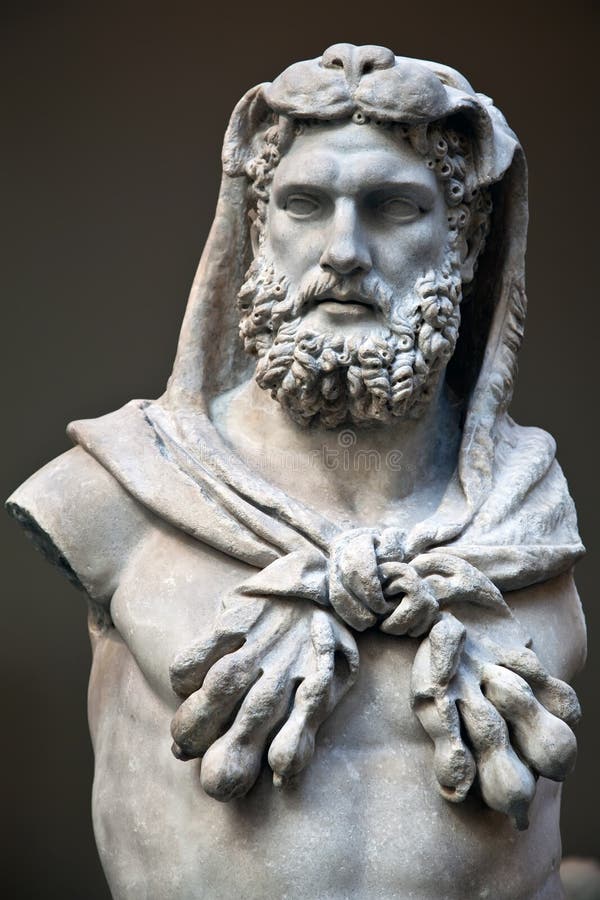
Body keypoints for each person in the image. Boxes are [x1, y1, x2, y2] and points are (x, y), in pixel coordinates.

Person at [7, 44, 586, 899]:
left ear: (464, 243)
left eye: (394, 208)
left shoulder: (523, 521)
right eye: (304, 204)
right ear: (257, 228)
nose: (343, 250)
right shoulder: (121, 492)